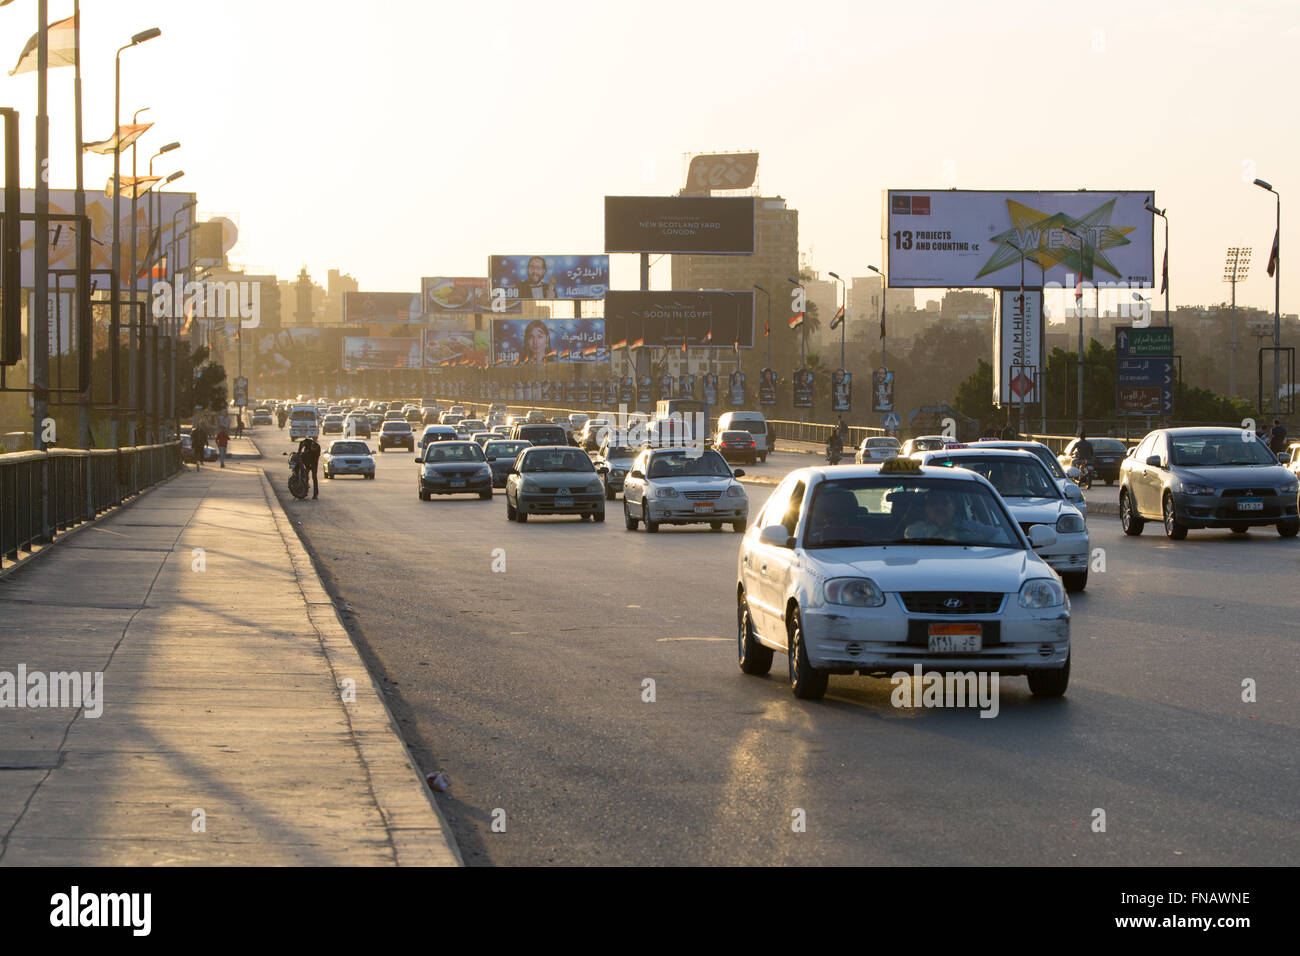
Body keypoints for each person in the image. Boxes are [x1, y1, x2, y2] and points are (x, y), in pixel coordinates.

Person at [905, 491, 984, 542]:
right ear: (926, 509)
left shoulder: (972, 527)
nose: (940, 507)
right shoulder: (915, 531)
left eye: (945, 503)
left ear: (954, 507)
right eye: (933, 503)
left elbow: (996, 534)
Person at [297, 434, 322, 499]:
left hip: (314, 463)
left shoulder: (317, 448)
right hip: (308, 463)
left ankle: (315, 494)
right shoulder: (306, 444)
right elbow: (299, 451)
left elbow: (316, 459)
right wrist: (299, 453)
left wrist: (311, 465)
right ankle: (304, 492)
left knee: (314, 478)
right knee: (305, 477)